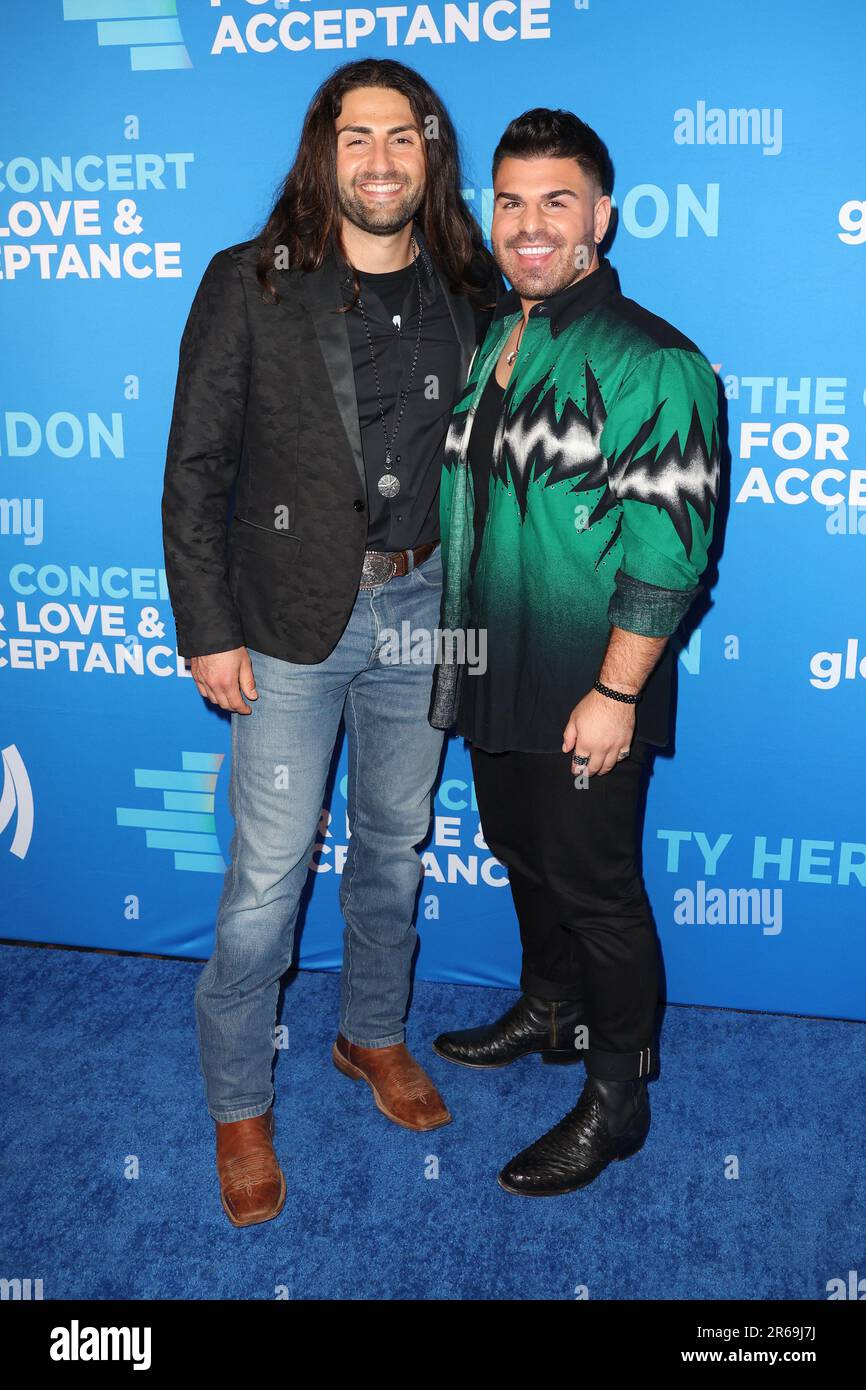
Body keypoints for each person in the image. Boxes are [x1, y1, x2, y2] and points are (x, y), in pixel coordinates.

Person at [162, 57, 502, 1228]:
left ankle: (369, 1035)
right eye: (355, 137)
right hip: (289, 624)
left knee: (395, 843)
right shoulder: (246, 283)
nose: (377, 161)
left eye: (400, 138)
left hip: (425, 608)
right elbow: (195, 471)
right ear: (323, 151)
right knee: (265, 876)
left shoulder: (471, 287)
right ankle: (239, 1100)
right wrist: (207, 629)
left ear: (430, 153)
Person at [430, 109, 720, 1197]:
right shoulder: (496, 337)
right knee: (521, 852)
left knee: (595, 889)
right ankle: (546, 1010)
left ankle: (618, 1094)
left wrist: (613, 692)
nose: (530, 223)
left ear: (601, 213)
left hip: (588, 682)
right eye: (509, 201)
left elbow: (667, 556)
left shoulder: (653, 359)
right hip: (488, 672)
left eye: (557, 200)